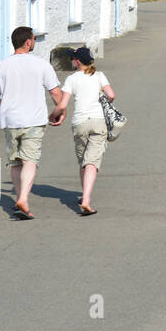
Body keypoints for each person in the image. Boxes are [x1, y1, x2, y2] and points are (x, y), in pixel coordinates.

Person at [0, 26, 63, 220]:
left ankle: (19, 199)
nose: (35, 42)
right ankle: (22, 198)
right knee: (30, 160)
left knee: (15, 162)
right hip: (33, 119)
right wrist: (60, 111)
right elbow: (55, 92)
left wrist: (2, 114)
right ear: (28, 42)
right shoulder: (41, 64)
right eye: (34, 39)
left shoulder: (1, 66)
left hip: (11, 120)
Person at [50, 47, 114, 216]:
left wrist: (53, 115)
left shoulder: (72, 79)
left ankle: (84, 195)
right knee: (92, 162)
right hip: (98, 122)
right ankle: (86, 199)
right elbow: (111, 95)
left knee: (83, 161)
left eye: (73, 59)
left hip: (80, 124)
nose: (72, 61)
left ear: (77, 61)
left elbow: (62, 105)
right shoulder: (99, 76)